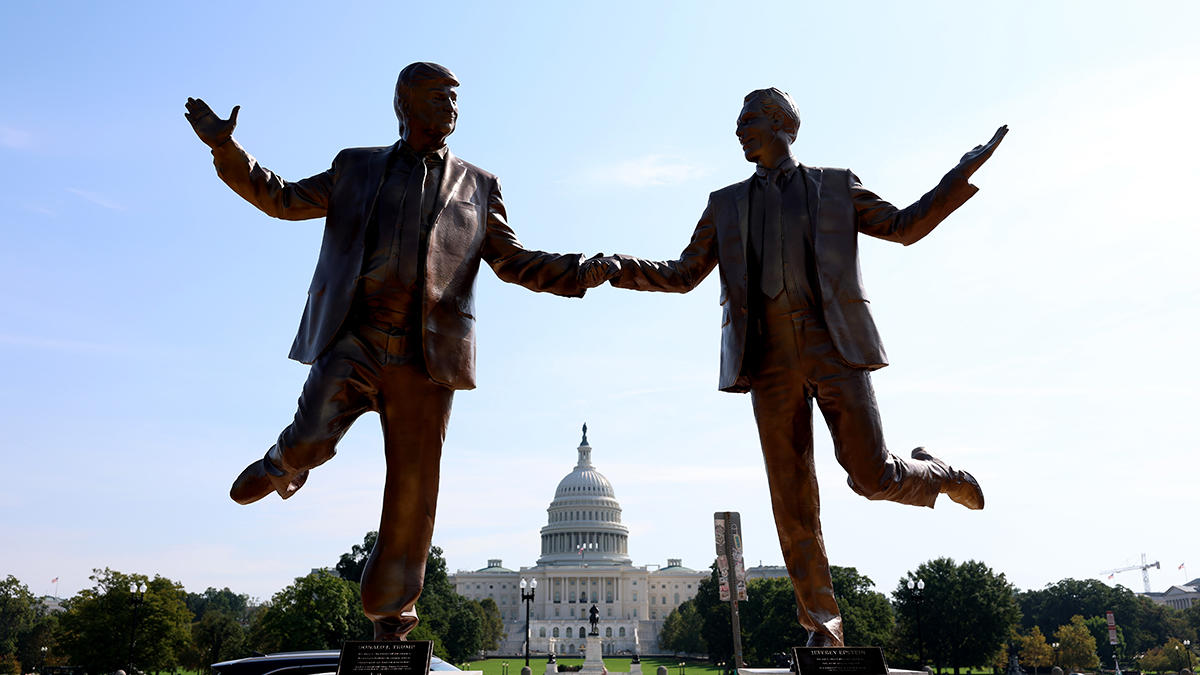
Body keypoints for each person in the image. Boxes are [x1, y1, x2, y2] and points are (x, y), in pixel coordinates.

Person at [581, 88, 1006, 646]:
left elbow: (903, 225)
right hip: (768, 360)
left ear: (784, 125)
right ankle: (822, 623)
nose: (739, 132)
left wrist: (958, 176)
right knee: (792, 498)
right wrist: (620, 267)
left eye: (749, 121)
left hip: (834, 345)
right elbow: (684, 273)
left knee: (870, 476)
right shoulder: (725, 203)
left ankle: (940, 474)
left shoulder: (834, 185)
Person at [185, 62, 589, 640]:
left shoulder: (479, 185)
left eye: (455, 100)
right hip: (356, 337)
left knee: (413, 492)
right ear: (403, 103)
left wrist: (585, 270)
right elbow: (280, 198)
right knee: (310, 435)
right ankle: (284, 465)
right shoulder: (356, 166)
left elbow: (515, 262)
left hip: (428, 360)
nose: (450, 108)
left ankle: (392, 617)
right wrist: (228, 150)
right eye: (437, 98)